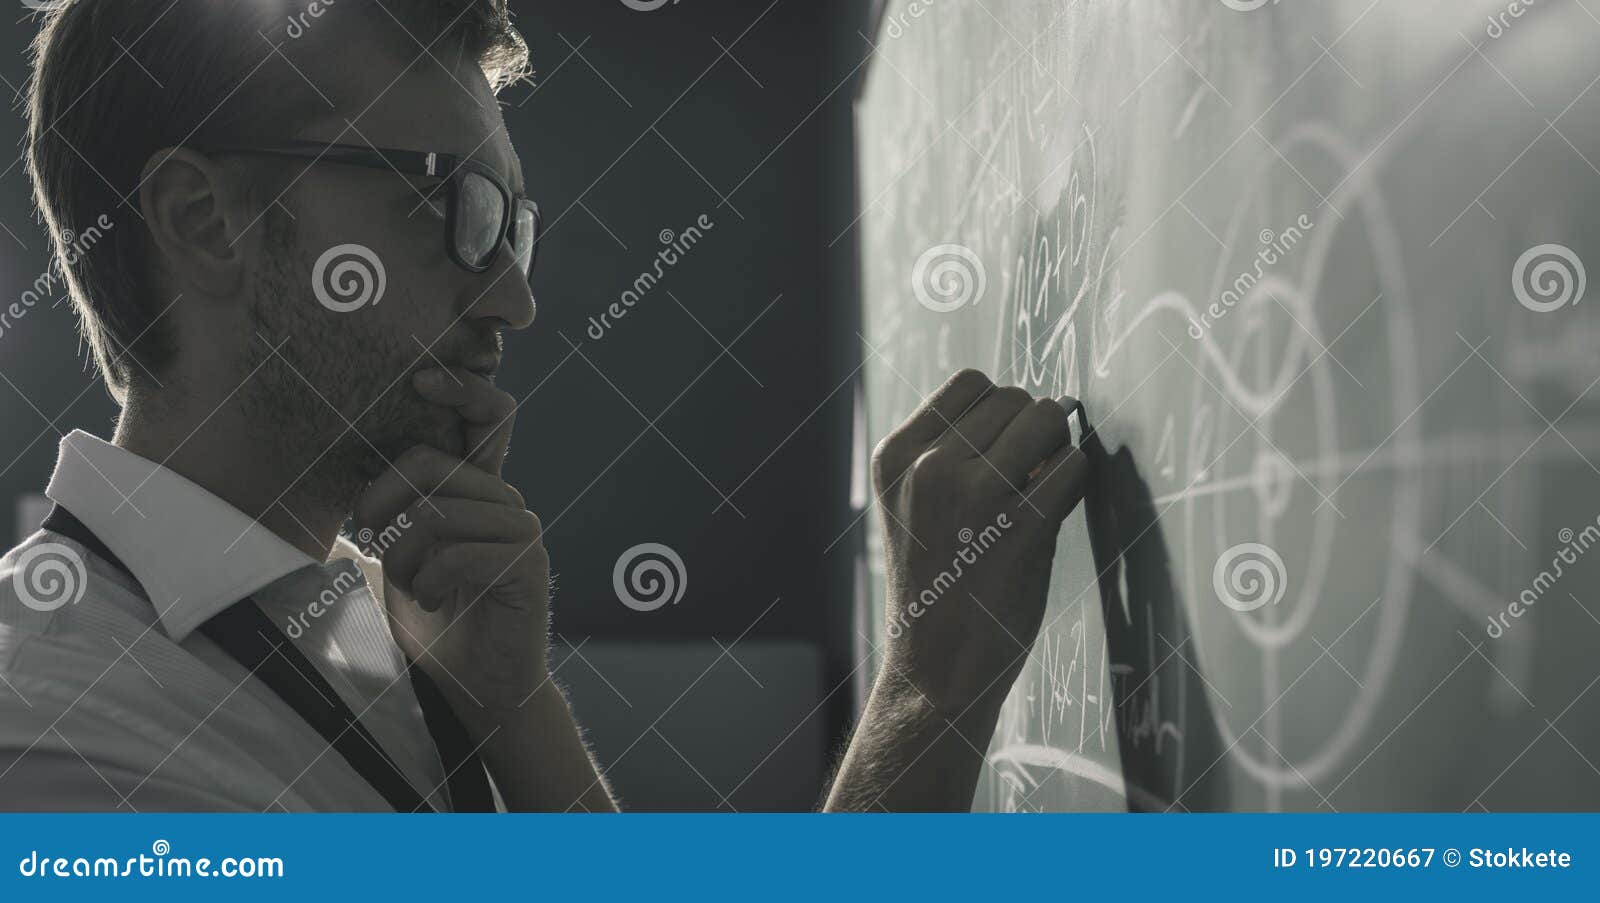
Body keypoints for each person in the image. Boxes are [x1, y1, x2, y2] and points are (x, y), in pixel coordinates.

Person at [0, 0, 1088, 812]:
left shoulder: (376, 631)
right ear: (205, 219)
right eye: (452, 204)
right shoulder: (56, 735)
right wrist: (929, 693)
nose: (514, 297)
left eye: (512, 222)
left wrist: (515, 716)